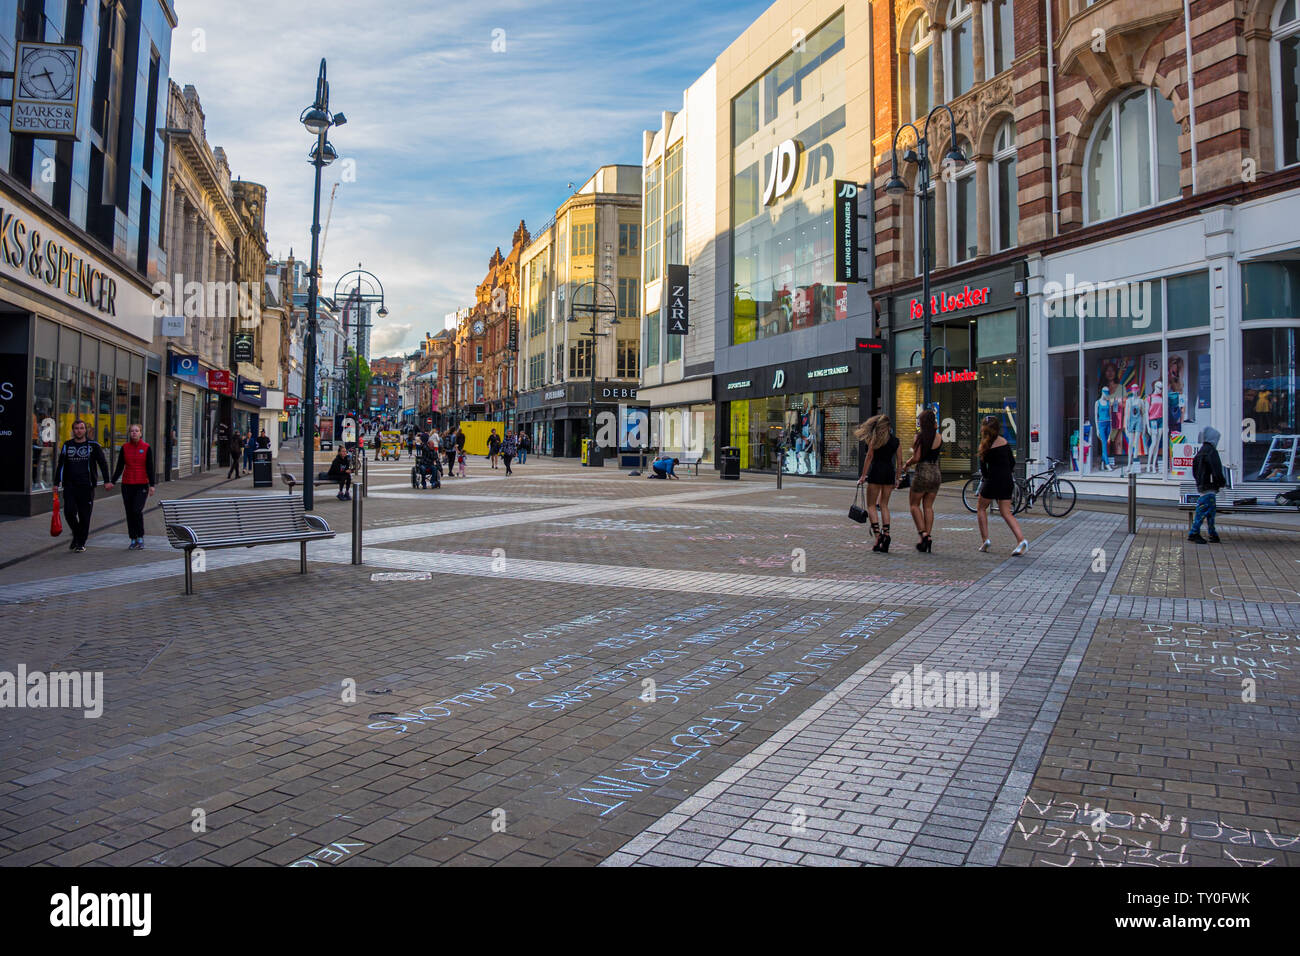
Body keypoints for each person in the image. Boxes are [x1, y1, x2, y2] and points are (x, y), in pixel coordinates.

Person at [54, 419, 112, 553]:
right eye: (76, 428)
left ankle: (80, 542)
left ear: (85, 430)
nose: (79, 431)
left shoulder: (93, 445)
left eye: (81, 428)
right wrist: (57, 483)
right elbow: (60, 465)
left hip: (86, 486)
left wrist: (107, 481)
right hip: (70, 485)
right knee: (68, 512)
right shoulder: (67, 445)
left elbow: (103, 464)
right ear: (73, 430)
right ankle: (77, 534)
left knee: (84, 515)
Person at [976, 415, 1029, 555]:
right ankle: (1021, 540)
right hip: (1007, 481)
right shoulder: (1004, 442)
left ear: (984, 429)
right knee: (1006, 512)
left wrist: (988, 480)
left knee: (981, 508)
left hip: (992, 481)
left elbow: (983, 469)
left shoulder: (985, 445)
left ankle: (985, 540)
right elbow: (1012, 462)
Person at [856, 415, 902, 553]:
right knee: (884, 505)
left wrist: (863, 476)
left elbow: (869, 457)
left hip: (876, 472)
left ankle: (878, 537)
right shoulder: (896, 441)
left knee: (871, 505)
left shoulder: (874, 440)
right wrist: (898, 478)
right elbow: (900, 462)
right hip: (889, 473)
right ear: (889, 427)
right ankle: (886, 535)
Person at [903, 408, 942, 553]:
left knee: (914, 505)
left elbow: (917, 457)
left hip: (923, 472)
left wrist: (907, 464)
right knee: (928, 506)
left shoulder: (919, 437)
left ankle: (923, 534)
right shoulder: (939, 437)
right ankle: (928, 537)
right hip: (936, 473)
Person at [111, 423, 156, 550]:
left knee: (137, 510)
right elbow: (120, 466)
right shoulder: (125, 448)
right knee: (129, 512)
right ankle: (132, 538)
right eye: (132, 431)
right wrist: (113, 481)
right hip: (127, 484)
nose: (134, 433)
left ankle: (140, 537)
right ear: (129, 433)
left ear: (141, 433)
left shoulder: (146, 448)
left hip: (141, 484)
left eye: (136, 431)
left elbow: (150, 467)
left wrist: (152, 485)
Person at [1188, 426, 1226, 544]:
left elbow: (1195, 470)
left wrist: (1199, 481)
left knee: (1210, 510)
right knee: (1204, 510)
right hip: (1210, 486)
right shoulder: (1211, 452)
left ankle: (1212, 533)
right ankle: (1194, 533)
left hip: (1203, 485)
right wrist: (1220, 482)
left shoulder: (1201, 451)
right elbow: (1216, 470)